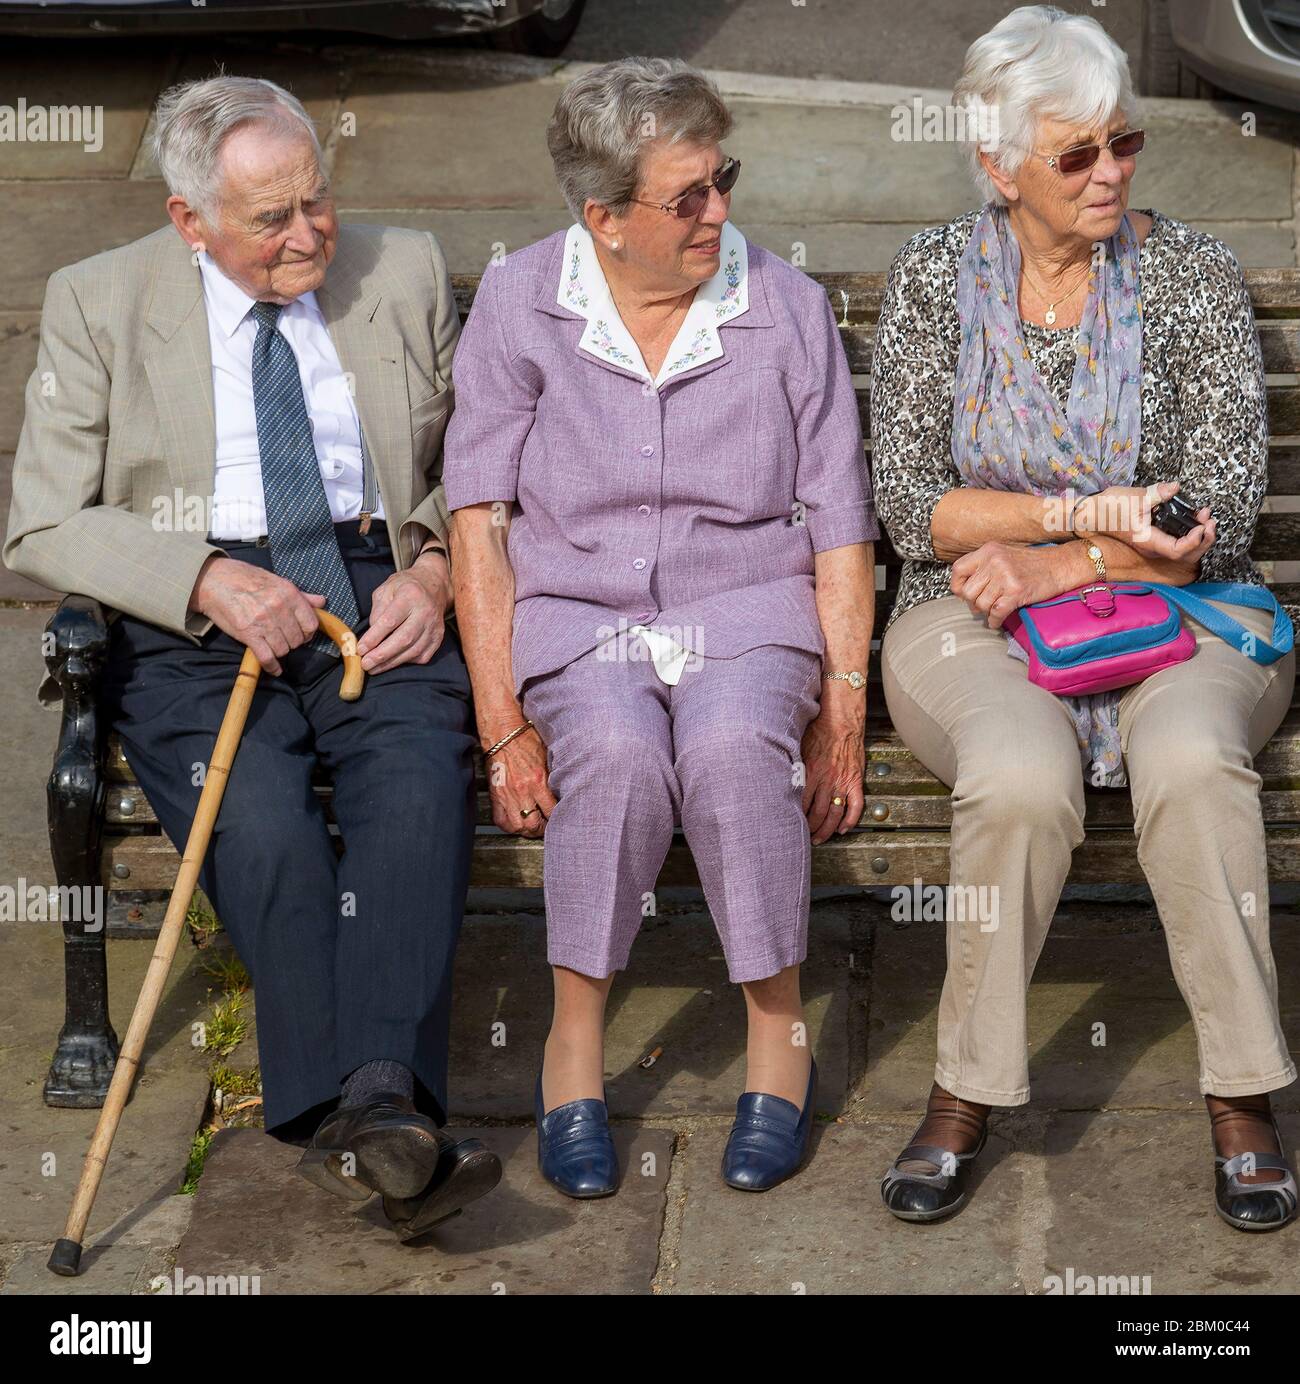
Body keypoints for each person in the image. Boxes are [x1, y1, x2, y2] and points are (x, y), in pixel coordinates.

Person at [5, 76, 500, 1242]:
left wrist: (430, 571)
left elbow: (469, 463)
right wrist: (200, 577)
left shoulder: (404, 270)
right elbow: (39, 519)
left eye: (316, 202)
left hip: (372, 585)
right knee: (265, 820)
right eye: (270, 220)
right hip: (193, 610)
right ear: (190, 223)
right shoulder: (99, 299)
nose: (309, 235)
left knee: (416, 786)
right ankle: (382, 1124)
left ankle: (366, 1116)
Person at [872, 6, 1297, 1230]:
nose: (1108, 173)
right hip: (965, 616)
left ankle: (1241, 1092)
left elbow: (1217, 505)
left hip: (1188, 611)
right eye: (1075, 154)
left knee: (1187, 757)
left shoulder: (1191, 275)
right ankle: (968, 1086)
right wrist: (1088, 525)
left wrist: (1059, 557)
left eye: (1124, 142)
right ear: (995, 164)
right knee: (1014, 771)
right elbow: (912, 505)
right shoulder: (931, 278)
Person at [444, 57, 878, 1199]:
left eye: (720, 178)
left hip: (745, 606)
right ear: (602, 217)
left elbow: (839, 522)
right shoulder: (520, 300)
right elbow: (480, 523)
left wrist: (842, 711)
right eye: (685, 195)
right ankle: (573, 1048)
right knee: (623, 759)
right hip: (578, 612)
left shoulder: (780, 305)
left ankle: (775, 1044)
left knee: (737, 755)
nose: (717, 210)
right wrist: (500, 723)